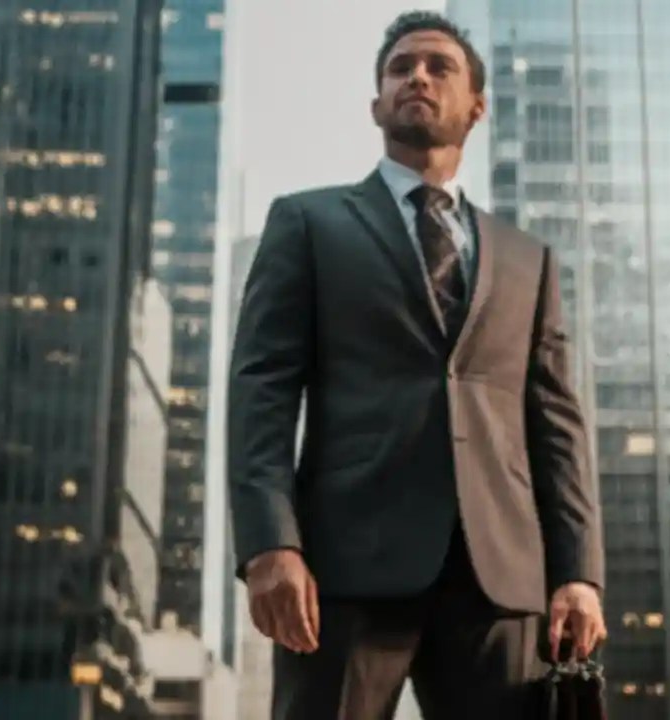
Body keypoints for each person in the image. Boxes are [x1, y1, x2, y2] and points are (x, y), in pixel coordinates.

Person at [227, 10, 606, 719]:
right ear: (377, 103)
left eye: (439, 67)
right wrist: (269, 545)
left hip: (501, 580)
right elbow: (262, 389)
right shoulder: (308, 224)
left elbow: (557, 423)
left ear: (477, 107)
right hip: (343, 568)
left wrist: (578, 574)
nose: (418, 78)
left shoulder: (529, 260)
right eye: (400, 68)